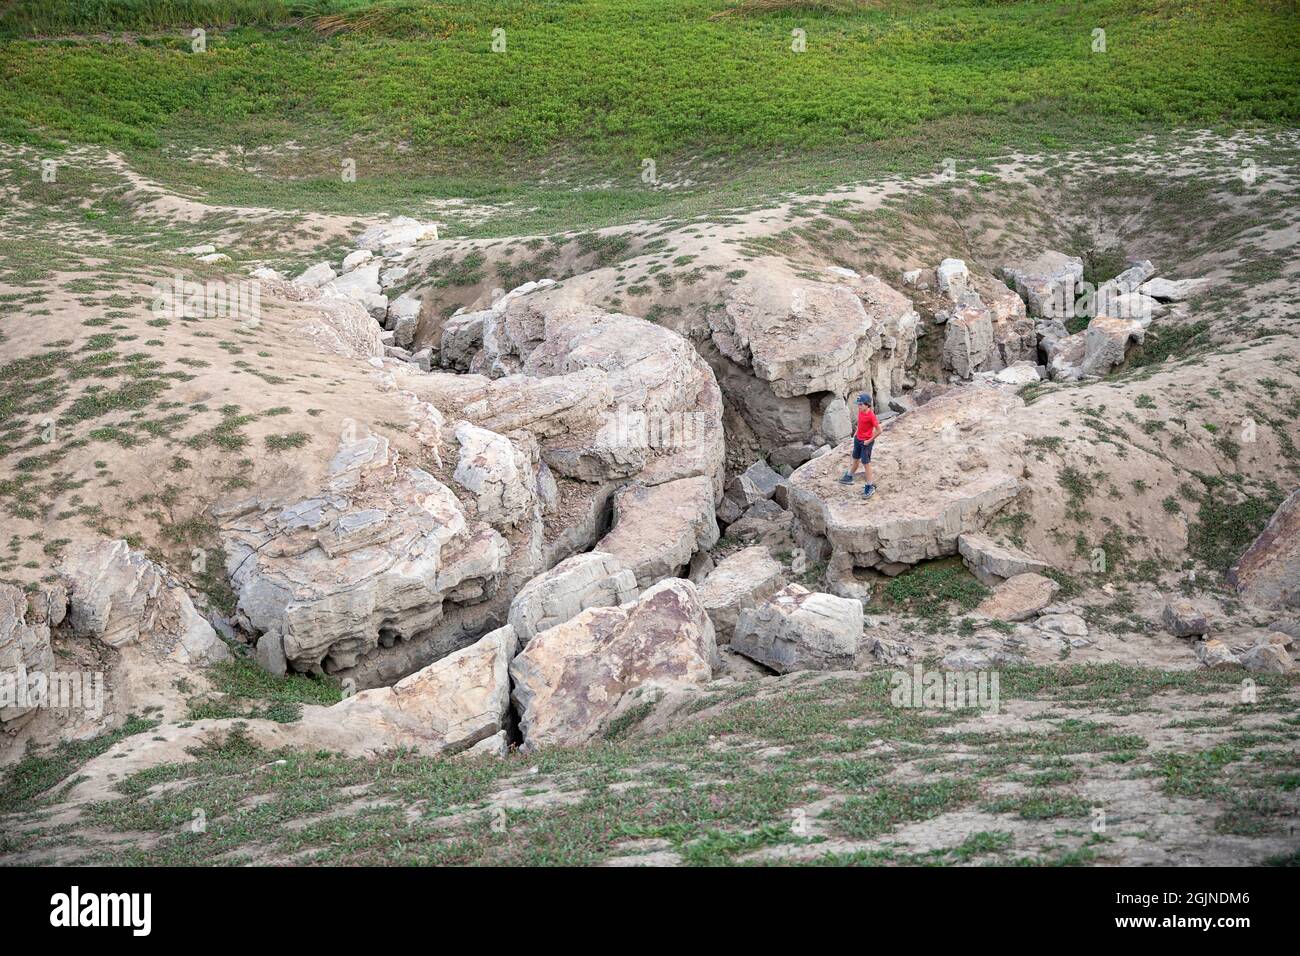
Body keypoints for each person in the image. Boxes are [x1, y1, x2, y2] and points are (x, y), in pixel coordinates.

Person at [838, 393, 880, 498]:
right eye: (858, 404)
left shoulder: (871, 416)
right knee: (855, 458)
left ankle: (870, 486)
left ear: (867, 405)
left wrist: (869, 441)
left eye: (860, 404)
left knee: (866, 463)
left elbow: (879, 430)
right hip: (858, 439)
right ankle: (849, 476)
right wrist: (856, 434)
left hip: (866, 442)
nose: (859, 406)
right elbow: (860, 424)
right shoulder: (861, 411)